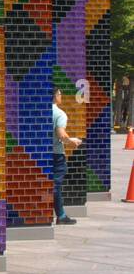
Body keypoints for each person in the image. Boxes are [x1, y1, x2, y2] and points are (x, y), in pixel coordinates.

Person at [53, 88, 82, 225]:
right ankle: (61, 215)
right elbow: (61, 134)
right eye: (59, 94)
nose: (61, 96)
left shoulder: (38, 111)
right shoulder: (59, 114)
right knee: (56, 186)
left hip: (41, 155)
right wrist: (72, 141)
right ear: (54, 96)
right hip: (57, 155)